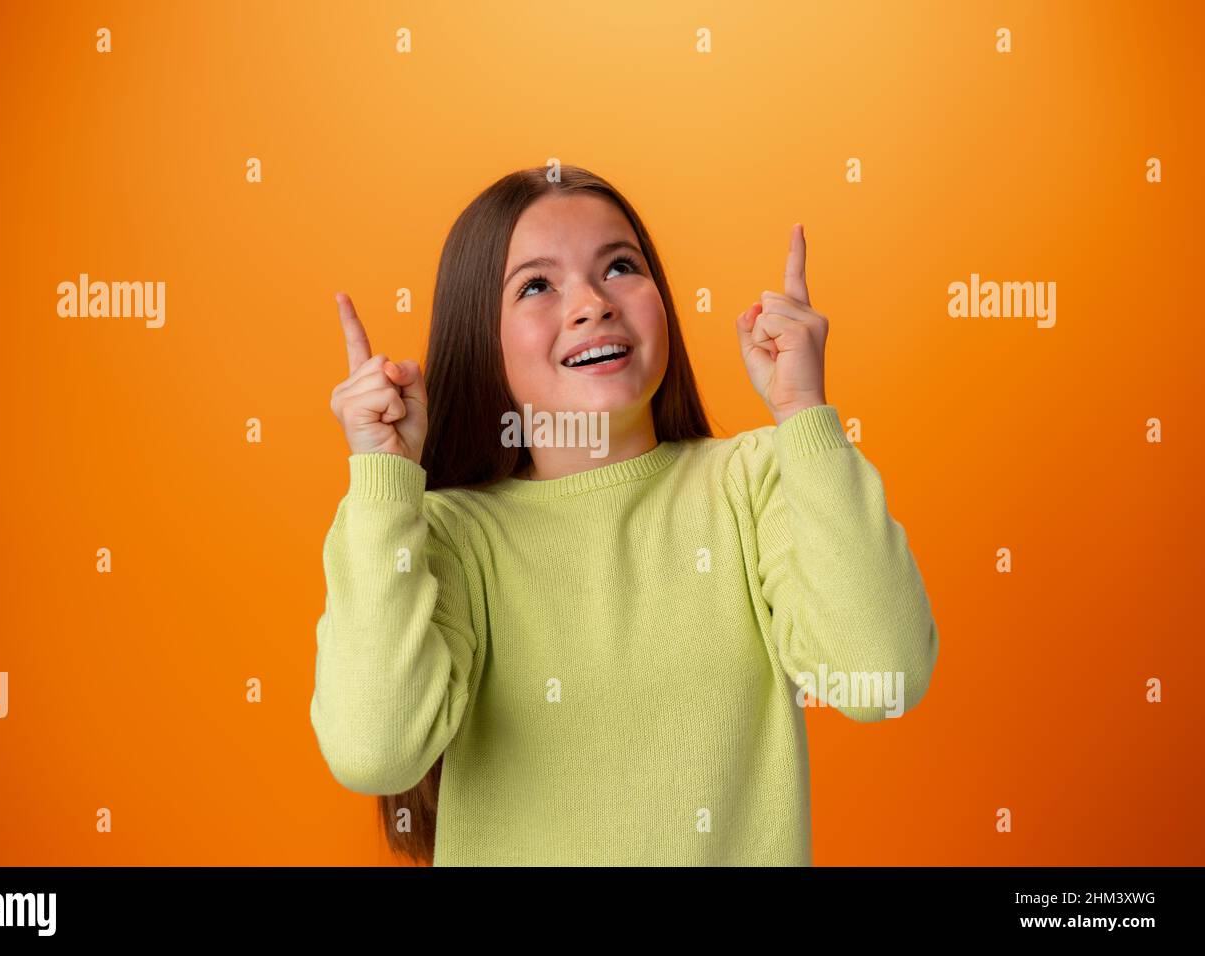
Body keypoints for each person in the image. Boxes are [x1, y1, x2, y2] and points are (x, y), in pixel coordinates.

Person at [310, 165, 939, 866]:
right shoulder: (449, 537)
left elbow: (883, 677)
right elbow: (374, 751)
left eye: (619, 267)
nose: (592, 303)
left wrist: (805, 417)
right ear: (480, 338)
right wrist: (384, 482)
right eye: (537, 285)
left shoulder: (756, 480)